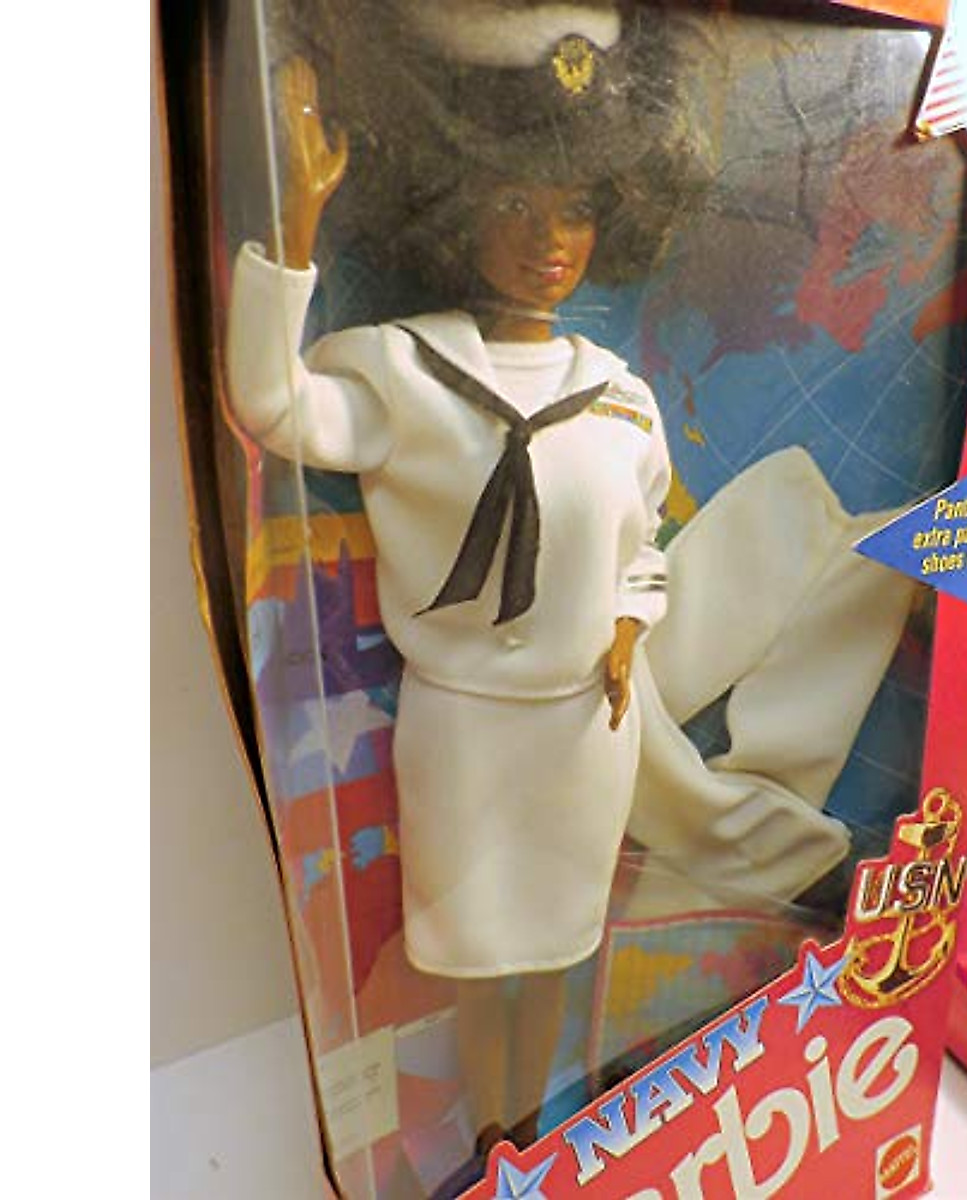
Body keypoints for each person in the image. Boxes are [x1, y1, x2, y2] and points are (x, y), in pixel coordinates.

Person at [225, 41, 693, 1176]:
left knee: (561, 940)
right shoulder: (404, 373)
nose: (548, 240)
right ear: (456, 212)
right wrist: (296, 221)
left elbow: (646, 545)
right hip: (465, 727)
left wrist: (627, 628)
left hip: (585, 729)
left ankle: (540, 1123)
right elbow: (273, 405)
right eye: (514, 205)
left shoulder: (621, 396)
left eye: (574, 210)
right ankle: (496, 1138)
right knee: (481, 952)